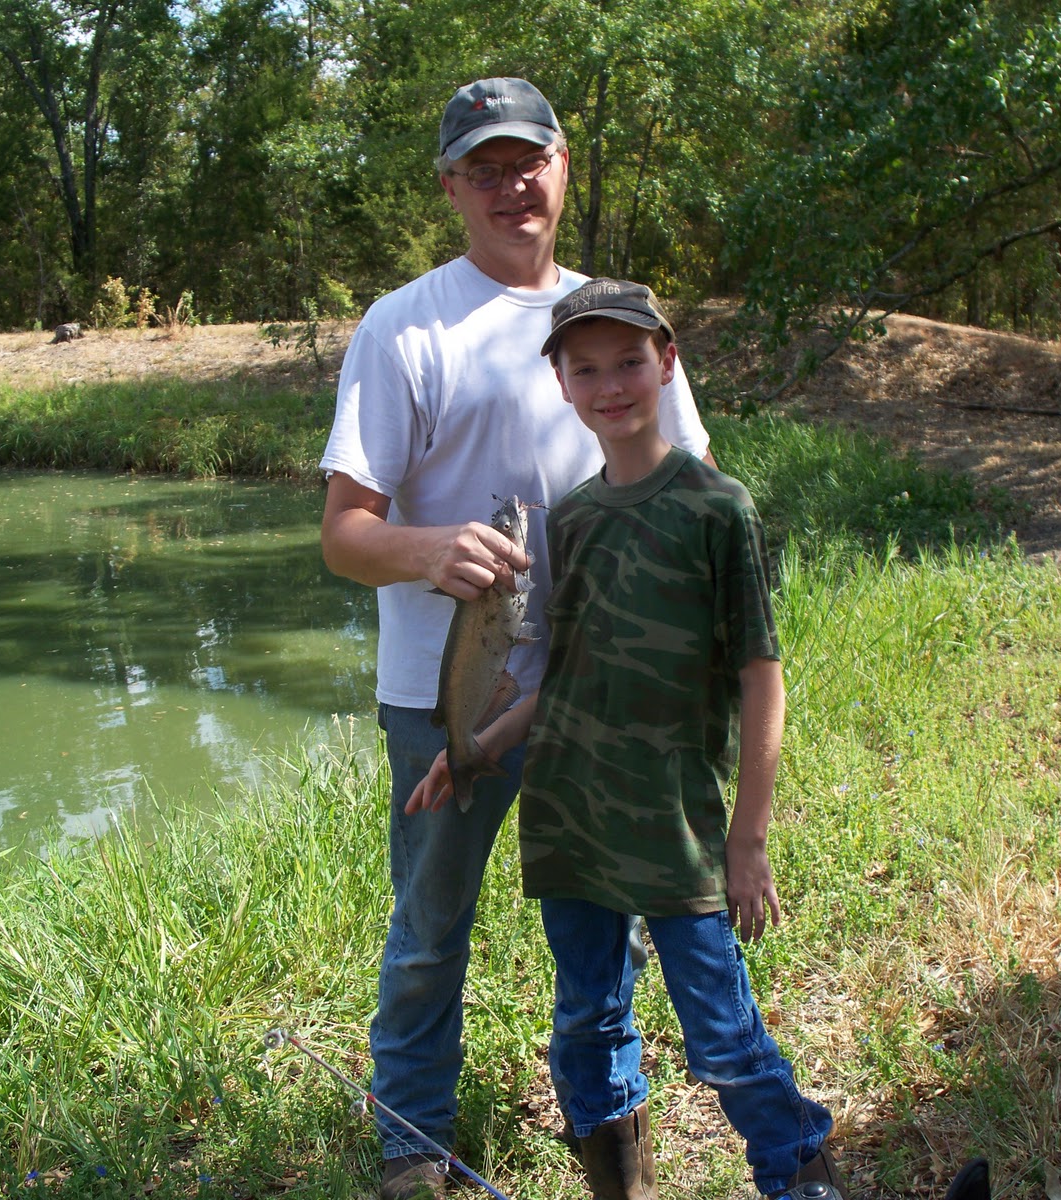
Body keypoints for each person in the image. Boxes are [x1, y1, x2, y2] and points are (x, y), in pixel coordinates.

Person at [317, 80, 711, 1200]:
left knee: (601, 928)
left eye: (525, 160)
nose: (509, 186)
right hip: (443, 695)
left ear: (563, 164)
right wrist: (428, 548)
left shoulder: (614, 314)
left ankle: (610, 1137)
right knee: (432, 927)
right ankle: (414, 1147)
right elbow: (345, 534)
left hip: (598, 688)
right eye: (482, 169)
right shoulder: (404, 325)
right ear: (450, 187)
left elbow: (692, 482)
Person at [407, 279, 844, 1200]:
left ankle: (800, 1177)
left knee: (722, 1035)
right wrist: (474, 748)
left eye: (630, 362)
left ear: (667, 364)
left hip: (675, 830)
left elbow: (761, 679)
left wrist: (748, 840)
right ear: (562, 385)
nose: (611, 385)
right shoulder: (568, 520)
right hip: (570, 823)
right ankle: (623, 1187)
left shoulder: (718, 509)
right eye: (587, 368)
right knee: (586, 1024)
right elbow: (563, 674)